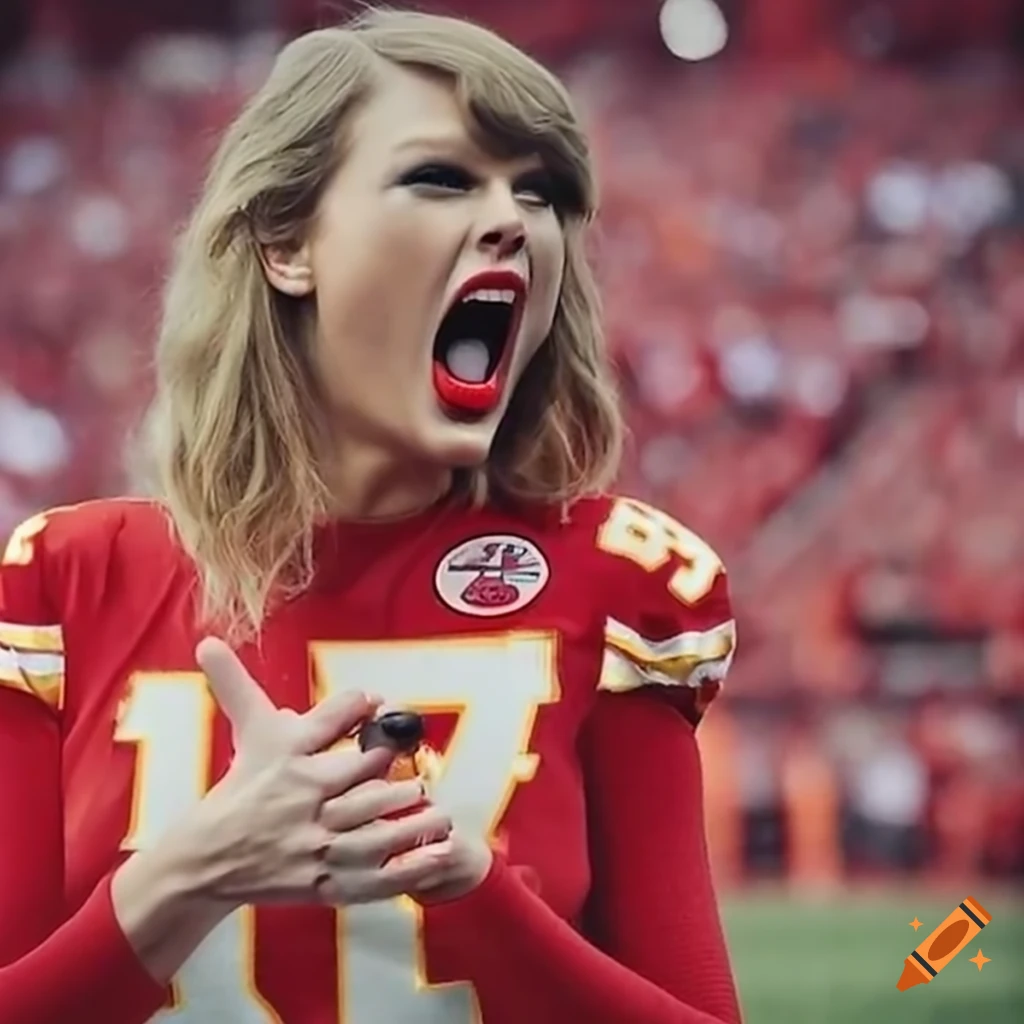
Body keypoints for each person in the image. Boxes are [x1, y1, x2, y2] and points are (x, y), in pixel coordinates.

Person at [0, 9, 741, 1024]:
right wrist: (189, 876)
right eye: (441, 178)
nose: (513, 222)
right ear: (284, 243)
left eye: (542, 193)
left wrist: (464, 886)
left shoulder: (618, 581)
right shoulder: (66, 581)